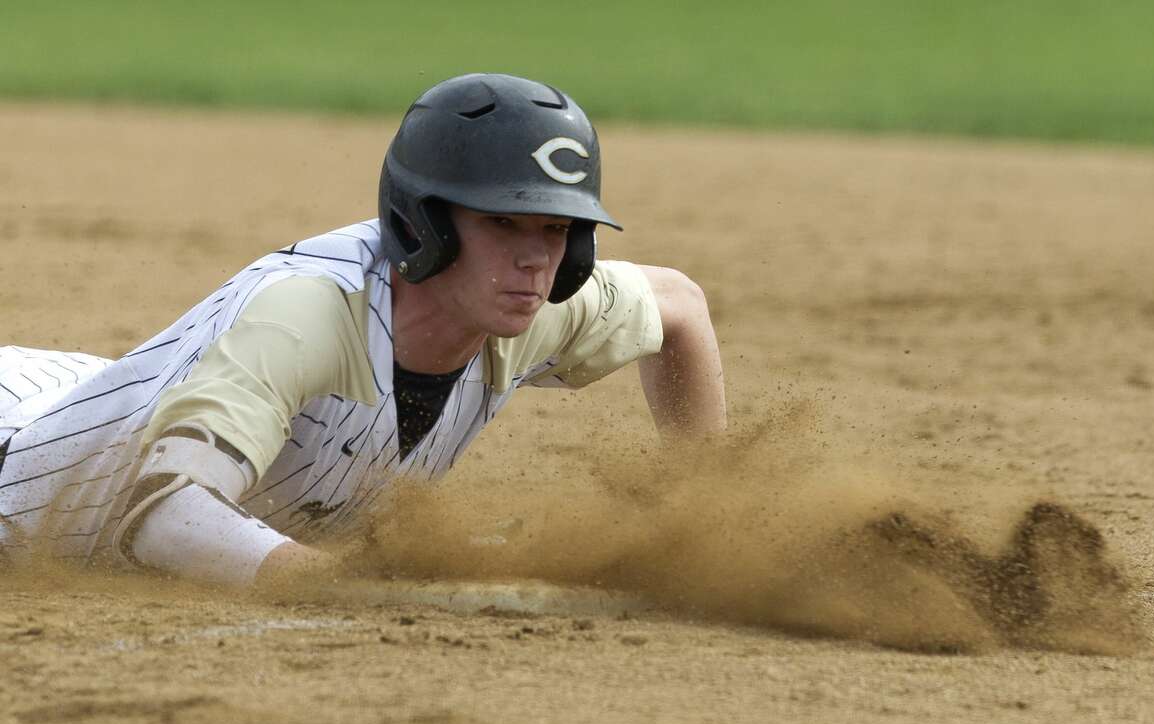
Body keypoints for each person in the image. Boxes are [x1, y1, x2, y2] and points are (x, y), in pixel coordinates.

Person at [0, 73, 726, 587]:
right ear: (427, 223)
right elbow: (162, 515)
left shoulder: (525, 305)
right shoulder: (306, 315)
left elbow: (681, 307)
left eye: (557, 228)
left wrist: (705, 516)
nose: (535, 257)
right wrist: (342, 584)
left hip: (102, 393)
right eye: (501, 221)